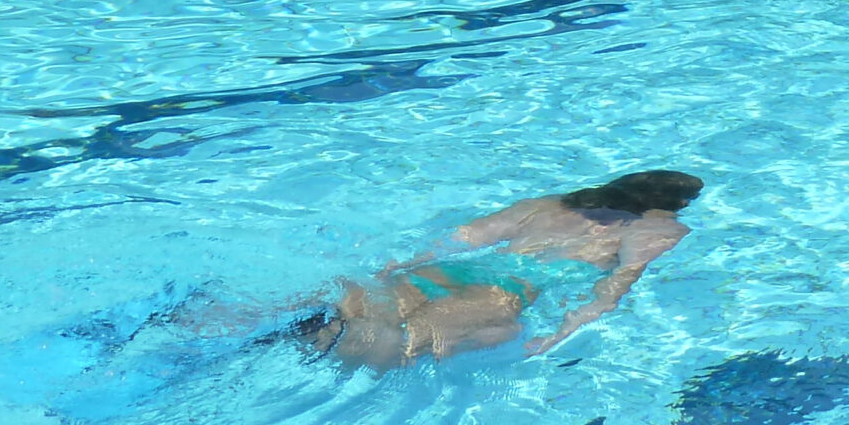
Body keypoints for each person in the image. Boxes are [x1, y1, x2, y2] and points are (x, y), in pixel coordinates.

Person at [285, 169, 705, 369]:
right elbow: (620, 282)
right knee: (405, 346)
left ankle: (295, 332)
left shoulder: (549, 204)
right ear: (677, 204)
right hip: (505, 290)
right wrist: (563, 331)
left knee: (347, 310)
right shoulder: (659, 227)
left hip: (453, 270)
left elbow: (466, 236)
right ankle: (335, 350)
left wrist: (402, 266)